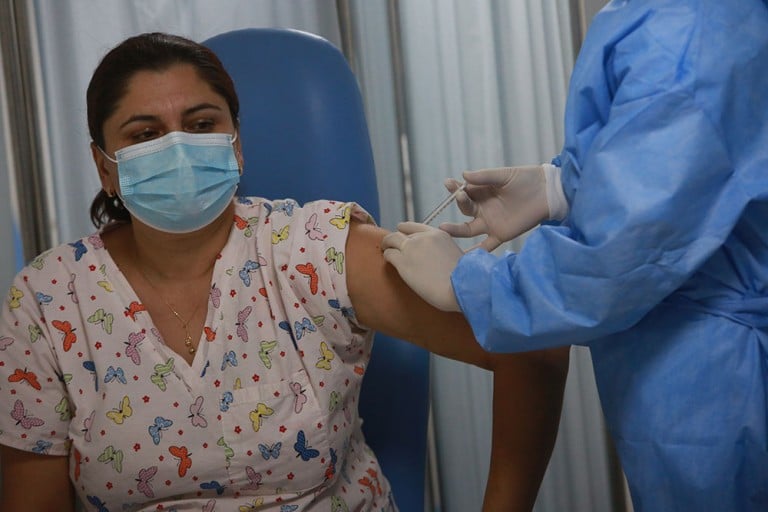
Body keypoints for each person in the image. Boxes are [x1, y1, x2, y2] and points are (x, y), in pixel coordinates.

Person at [0, 32, 569, 512]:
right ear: (106, 166)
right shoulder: (49, 302)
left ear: (236, 145)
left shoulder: (310, 249)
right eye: (145, 134)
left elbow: (533, 345)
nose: (177, 147)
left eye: (200, 124)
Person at [382, 0, 768, 510]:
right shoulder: (668, 19)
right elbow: (686, 164)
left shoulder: (686, 32)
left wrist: (475, 286)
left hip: (723, 376)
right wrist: (559, 186)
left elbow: (624, 252)